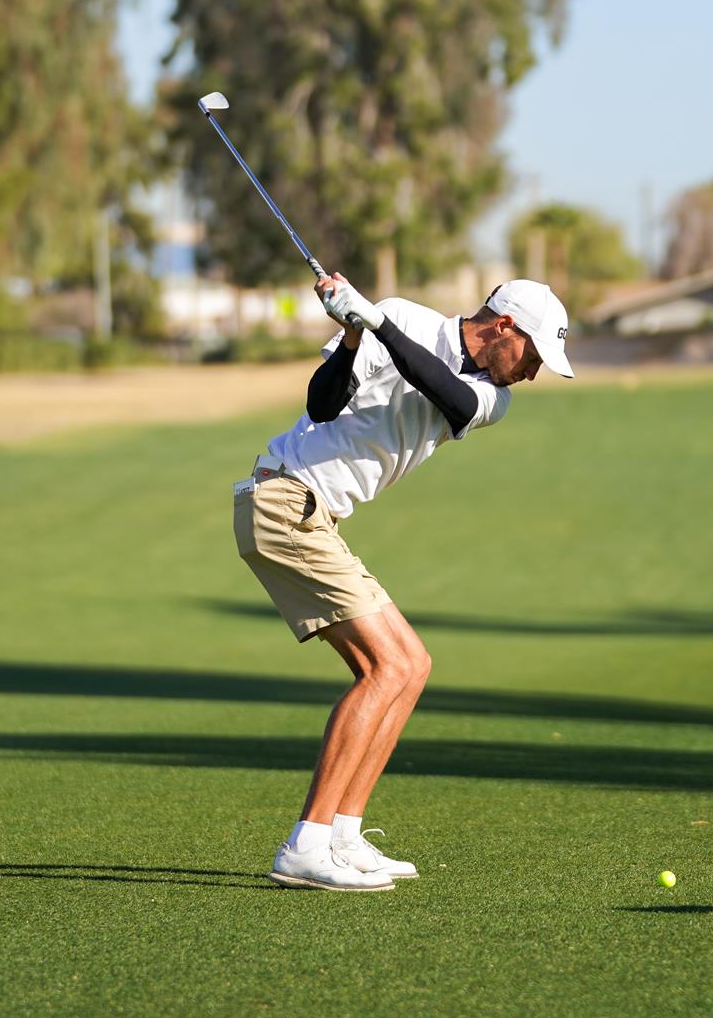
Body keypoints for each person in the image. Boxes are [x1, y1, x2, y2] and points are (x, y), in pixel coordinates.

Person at [233, 273, 572, 891]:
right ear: (503, 327)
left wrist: (374, 324)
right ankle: (306, 843)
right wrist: (350, 333)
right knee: (387, 667)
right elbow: (322, 406)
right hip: (285, 501)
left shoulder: (489, 397)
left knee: (411, 665)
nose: (533, 373)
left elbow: (445, 390)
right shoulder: (402, 318)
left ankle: (342, 834)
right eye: (534, 356)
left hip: (313, 514)